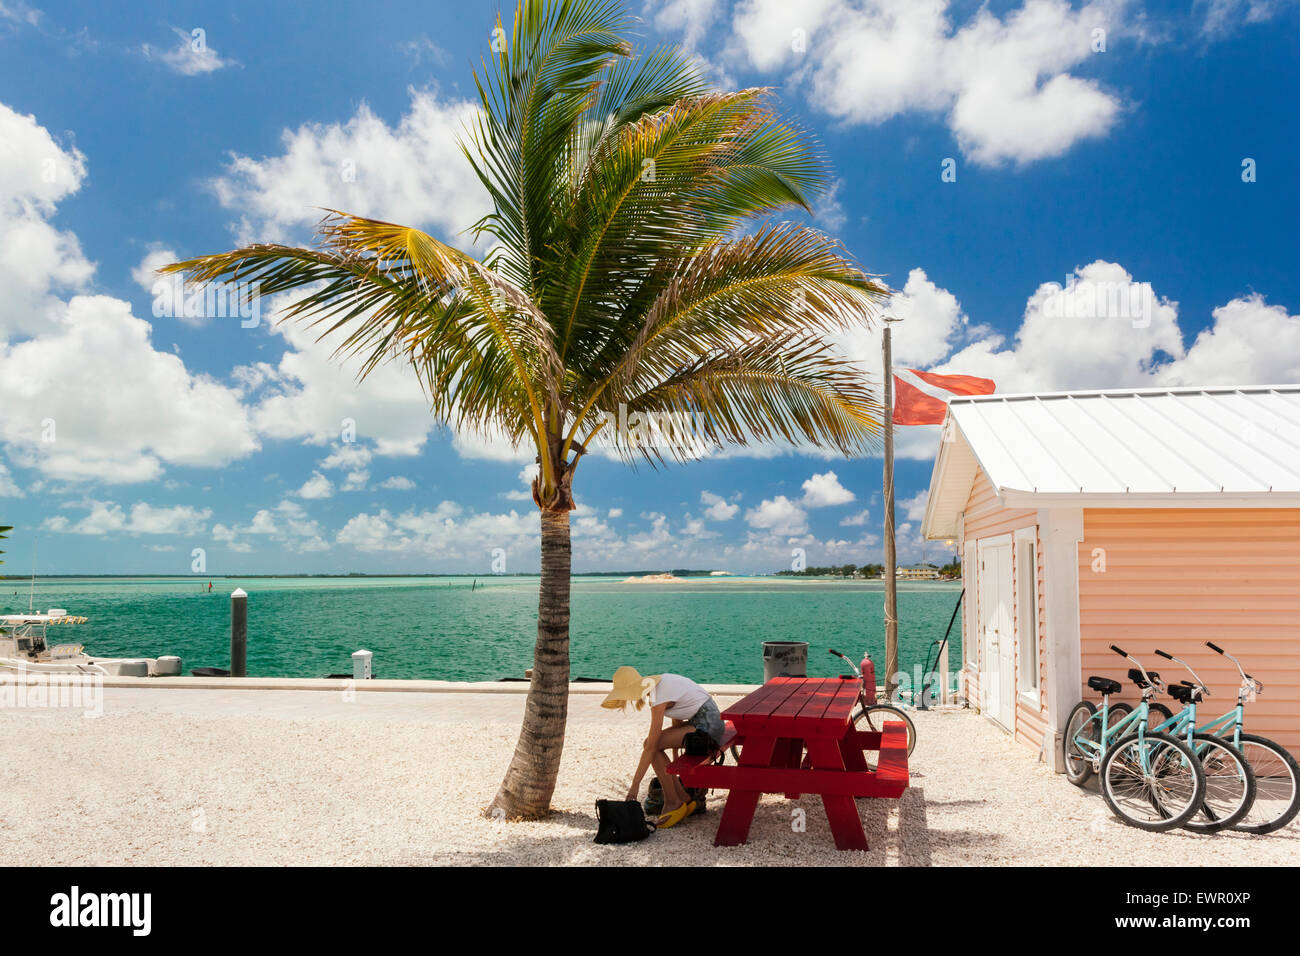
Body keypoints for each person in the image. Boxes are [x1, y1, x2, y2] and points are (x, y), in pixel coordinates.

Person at [602, 666, 726, 828]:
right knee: (652, 745)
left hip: (708, 725)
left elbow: (652, 746)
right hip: (709, 720)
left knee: (650, 745)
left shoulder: (658, 698)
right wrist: (676, 761)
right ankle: (682, 796)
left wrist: (635, 786)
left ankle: (673, 800)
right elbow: (677, 720)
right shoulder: (661, 684)